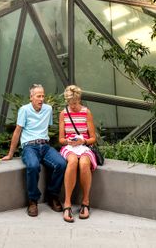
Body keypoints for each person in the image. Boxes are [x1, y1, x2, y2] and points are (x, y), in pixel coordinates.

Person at [2, 83, 66, 217]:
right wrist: (10, 154)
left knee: (61, 164)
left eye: (43, 96)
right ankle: (33, 201)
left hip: (45, 146)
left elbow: (46, 128)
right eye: (38, 96)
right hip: (29, 147)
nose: (41, 99)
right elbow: (17, 131)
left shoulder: (48, 109)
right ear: (31, 97)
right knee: (33, 166)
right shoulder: (24, 110)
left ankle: (52, 196)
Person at [58, 84, 98, 221]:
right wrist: (68, 141)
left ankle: (85, 202)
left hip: (84, 146)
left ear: (79, 100)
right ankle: (67, 203)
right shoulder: (63, 113)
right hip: (69, 147)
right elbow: (61, 139)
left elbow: (93, 138)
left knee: (84, 163)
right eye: (70, 103)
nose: (73, 106)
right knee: (73, 161)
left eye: (75, 103)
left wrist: (83, 141)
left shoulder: (86, 112)